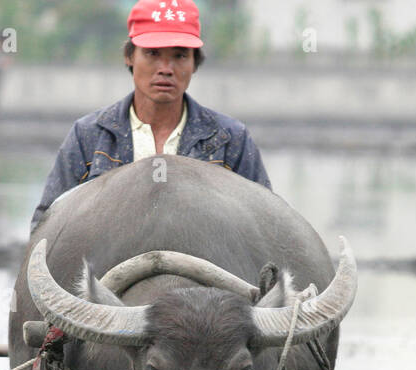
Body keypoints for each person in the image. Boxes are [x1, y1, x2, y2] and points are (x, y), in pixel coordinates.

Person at [29, 0, 271, 232]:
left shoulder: (230, 140)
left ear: (195, 63)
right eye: (153, 53)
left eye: (180, 56)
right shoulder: (89, 136)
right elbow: (48, 224)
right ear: (130, 56)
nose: (165, 68)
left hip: (203, 273)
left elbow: (267, 225)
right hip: (111, 273)